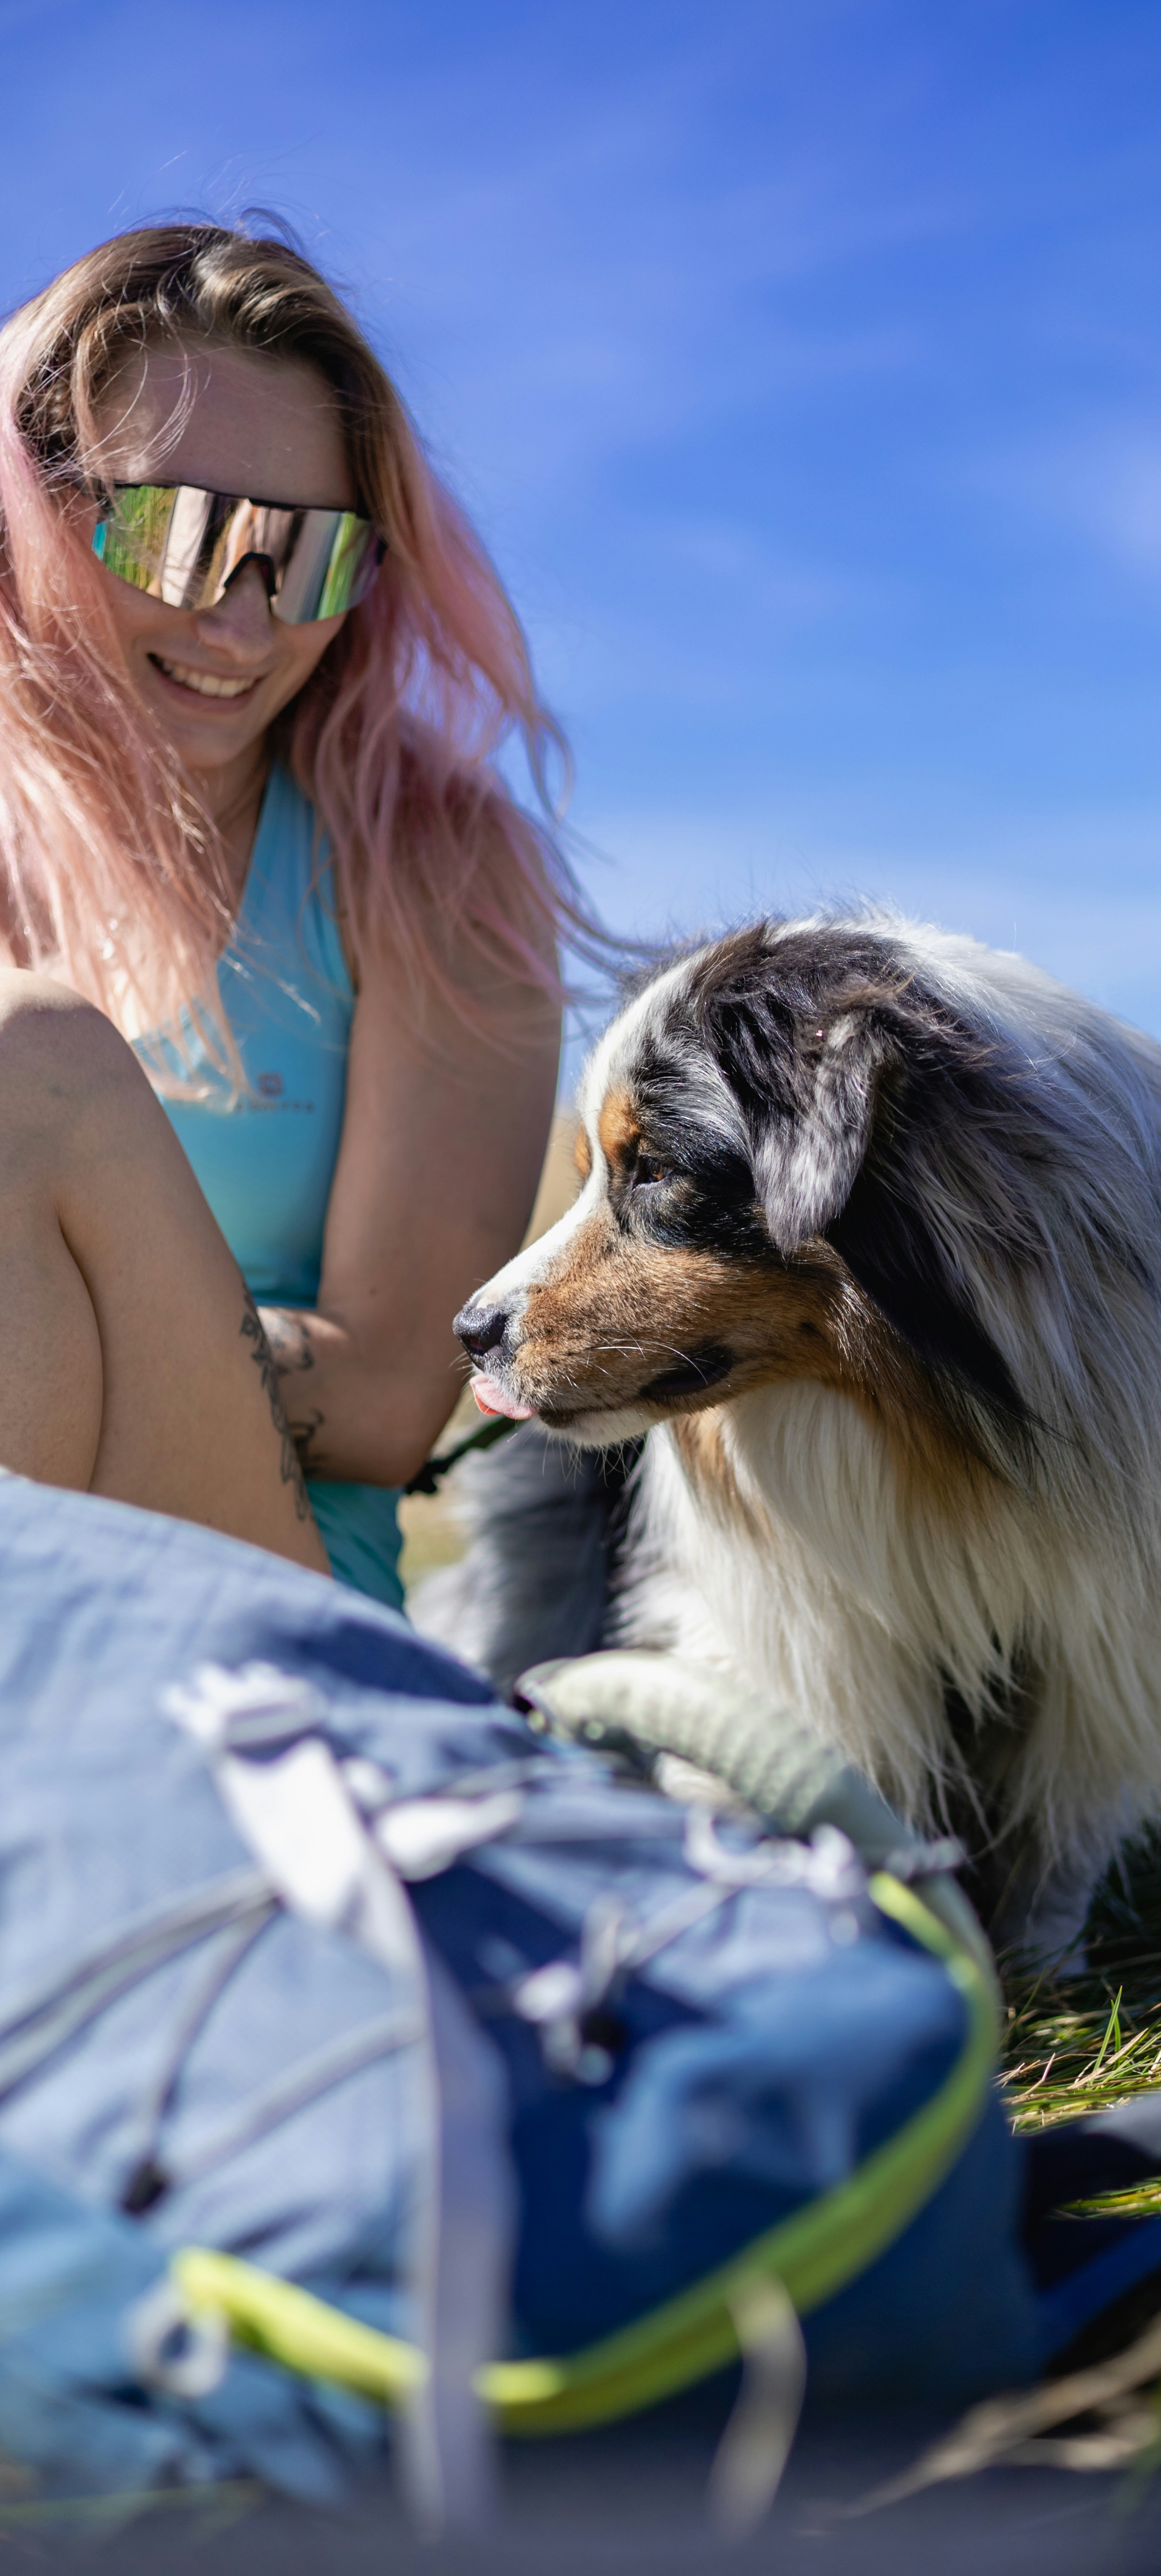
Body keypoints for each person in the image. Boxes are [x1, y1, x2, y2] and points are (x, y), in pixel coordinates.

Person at [0, 223, 599, 1604]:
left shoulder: (434, 870)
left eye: (311, 558)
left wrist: (63, 1313)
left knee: (31, 1063)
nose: (245, 625)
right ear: (29, 509)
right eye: (182, 534)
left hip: (269, 1613)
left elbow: (394, 1395)